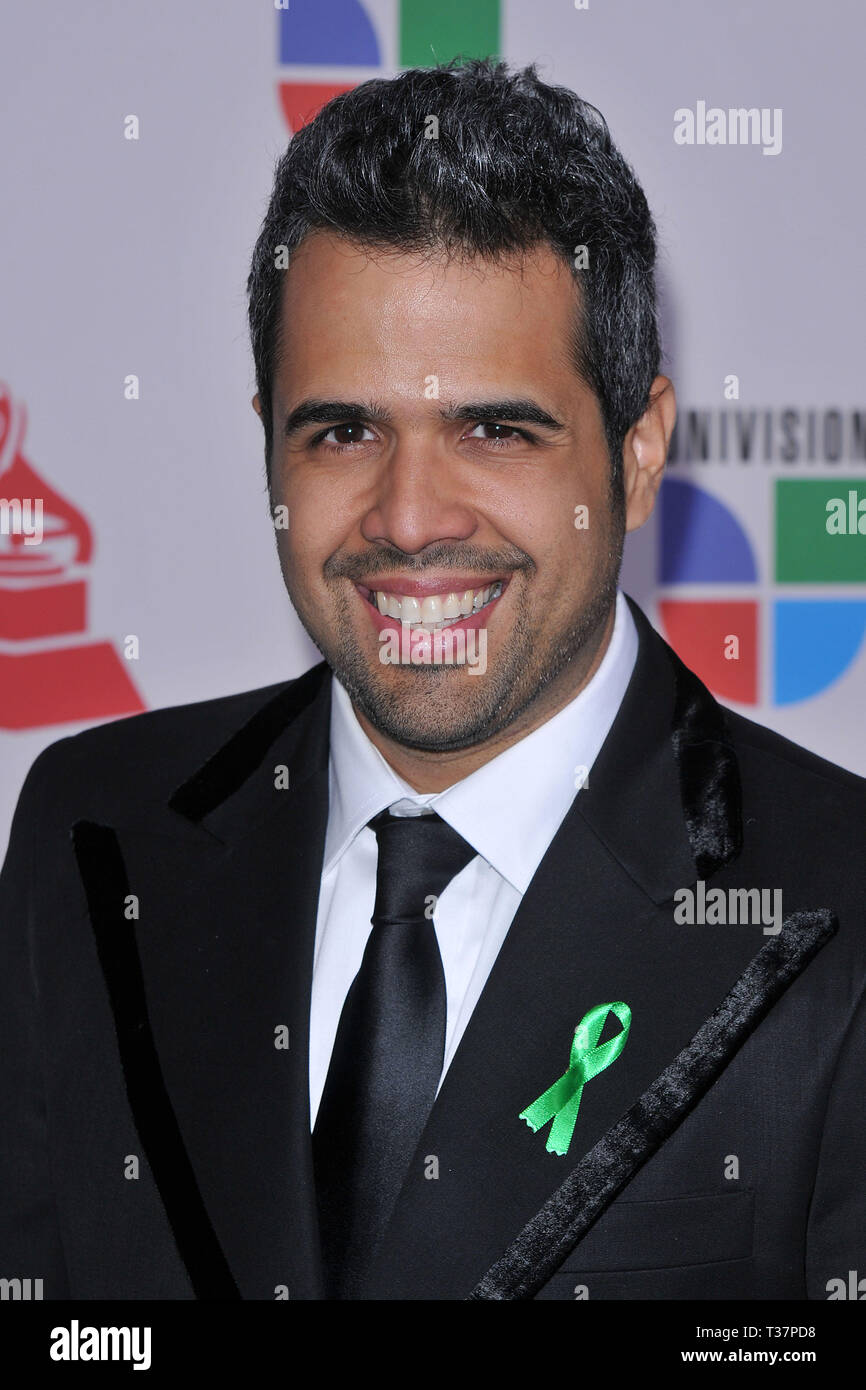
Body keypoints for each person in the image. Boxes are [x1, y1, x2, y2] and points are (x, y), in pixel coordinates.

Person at [1, 59, 864, 1302]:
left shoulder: (831, 899)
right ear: (270, 450)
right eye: (342, 430)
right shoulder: (94, 830)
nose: (407, 520)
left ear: (635, 452)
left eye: (493, 430)